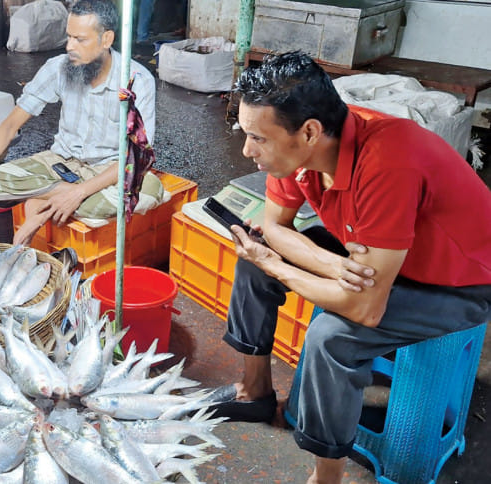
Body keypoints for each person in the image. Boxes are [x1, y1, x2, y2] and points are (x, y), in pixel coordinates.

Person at [208, 51, 491, 484]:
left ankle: (327, 478)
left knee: (331, 336)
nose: (247, 150)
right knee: (256, 254)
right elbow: (274, 227)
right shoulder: (297, 147)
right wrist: (329, 263)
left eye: (257, 139)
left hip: (456, 285)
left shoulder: (389, 160)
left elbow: (365, 311)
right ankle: (255, 391)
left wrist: (284, 268)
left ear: (309, 132)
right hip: (374, 256)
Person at [0, 0, 165, 245]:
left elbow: (133, 157)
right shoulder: (58, 68)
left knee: (147, 191)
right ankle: (60, 196)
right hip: (61, 163)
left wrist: (81, 191)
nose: (69, 46)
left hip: (109, 170)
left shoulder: (137, 81)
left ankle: (42, 208)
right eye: (69, 36)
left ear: (106, 39)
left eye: (80, 39)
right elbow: (11, 124)